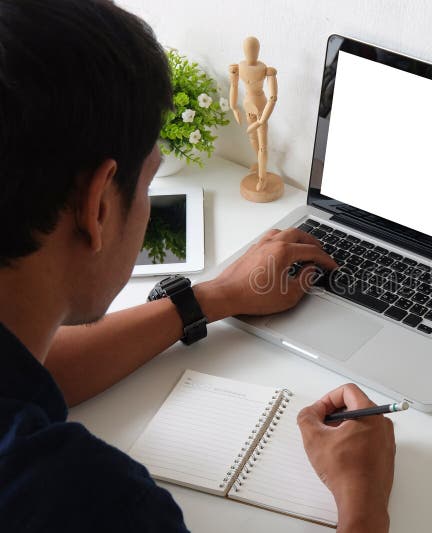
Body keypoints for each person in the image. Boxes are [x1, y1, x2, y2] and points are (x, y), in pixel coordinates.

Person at [0, 1, 395, 532]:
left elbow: (35, 368)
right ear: (98, 207)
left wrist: (214, 296)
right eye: (148, 182)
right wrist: (363, 499)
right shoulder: (89, 501)